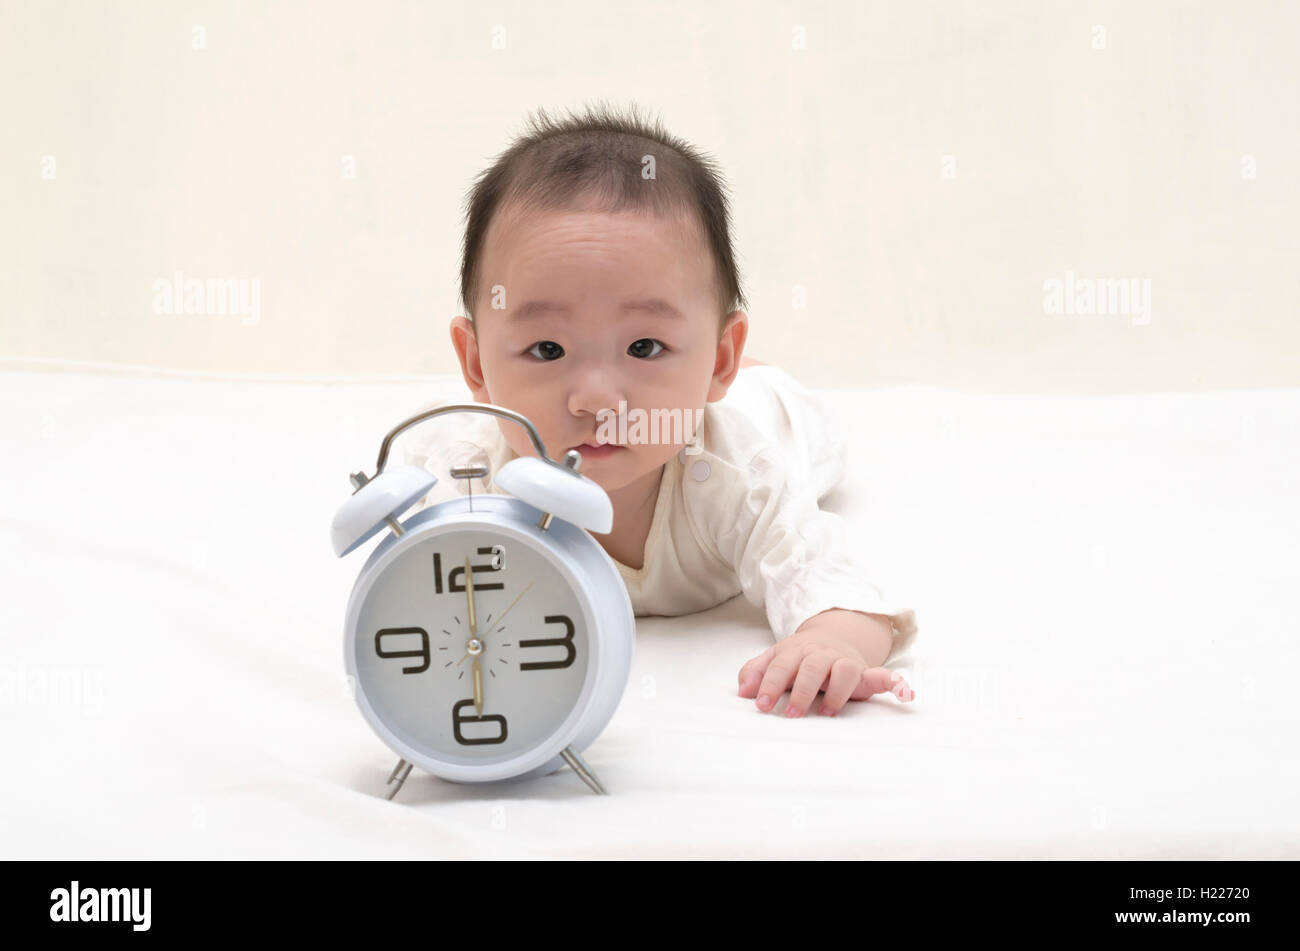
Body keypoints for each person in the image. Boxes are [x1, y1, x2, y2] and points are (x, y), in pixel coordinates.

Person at [401, 103, 917, 718]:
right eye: (547, 349)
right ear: (477, 364)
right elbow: (410, 587)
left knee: (787, 416)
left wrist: (828, 641)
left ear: (721, 356)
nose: (594, 398)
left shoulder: (737, 475)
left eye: (644, 346)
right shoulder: (462, 475)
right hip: (691, 399)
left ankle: (747, 379)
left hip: (775, 418)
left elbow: (838, 584)